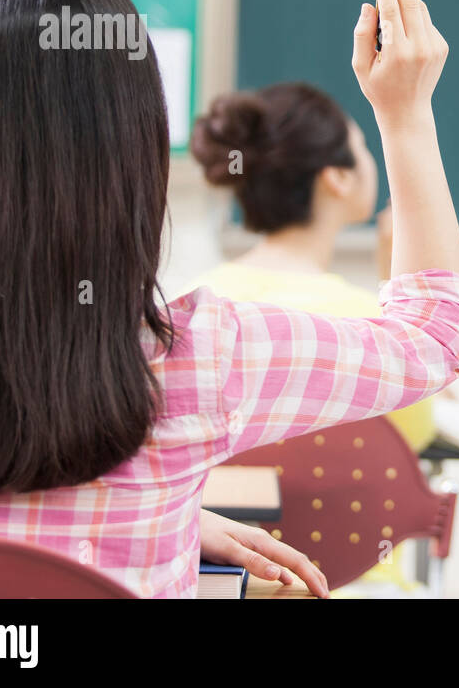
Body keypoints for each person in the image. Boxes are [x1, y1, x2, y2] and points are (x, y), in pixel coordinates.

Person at [0, 0, 459, 598]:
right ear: (134, 155)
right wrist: (405, 114)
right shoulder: (198, 359)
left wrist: (173, 515)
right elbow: (440, 334)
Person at [186, 81, 436, 594]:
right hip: (357, 586)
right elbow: (418, 435)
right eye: (365, 149)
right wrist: (396, 282)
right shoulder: (371, 326)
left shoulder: (190, 308)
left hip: (222, 587)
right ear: (337, 178)